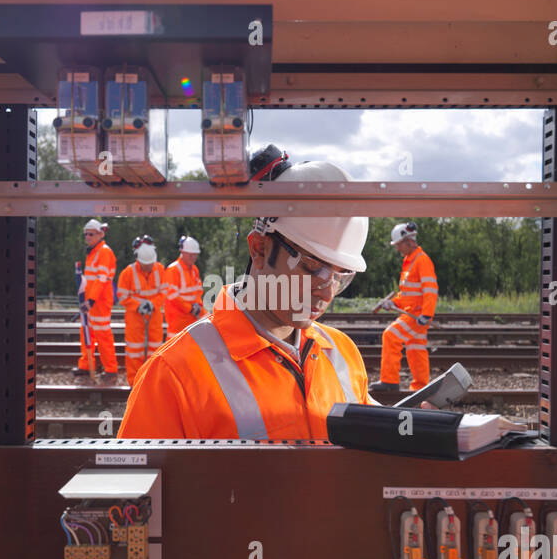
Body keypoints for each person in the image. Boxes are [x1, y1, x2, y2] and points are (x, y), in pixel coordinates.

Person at [118, 147, 380, 440]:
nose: (326, 291)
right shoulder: (173, 373)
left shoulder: (342, 354)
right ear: (259, 249)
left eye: (339, 277)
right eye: (311, 267)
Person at [376, 221, 438, 390]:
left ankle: (389, 381)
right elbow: (407, 295)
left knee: (390, 336)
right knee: (416, 349)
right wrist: (393, 302)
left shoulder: (421, 261)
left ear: (408, 241)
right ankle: (420, 387)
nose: (397, 248)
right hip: (415, 314)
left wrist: (426, 315)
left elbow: (430, 290)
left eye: (398, 245)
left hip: (416, 315)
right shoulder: (410, 261)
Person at [117, 235, 167, 386]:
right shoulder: (128, 273)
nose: (149, 267)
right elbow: (122, 296)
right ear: (138, 261)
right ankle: (135, 383)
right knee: (134, 351)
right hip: (135, 317)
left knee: (156, 349)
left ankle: (153, 383)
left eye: (151, 264)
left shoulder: (159, 269)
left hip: (154, 316)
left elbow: (164, 291)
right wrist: (137, 306)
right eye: (146, 265)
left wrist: (153, 304)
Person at [73, 218, 119, 379]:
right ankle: (86, 366)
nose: (87, 237)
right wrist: (86, 299)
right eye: (85, 234)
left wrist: (91, 300)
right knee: (87, 332)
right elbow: (92, 280)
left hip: (99, 301)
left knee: (102, 335)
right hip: (91, 301)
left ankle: (111, 369)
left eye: (90, 234)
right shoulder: (94, 252)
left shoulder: (104, 252)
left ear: (100, 234)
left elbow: (102, 278)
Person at [163, 235, 204, 338]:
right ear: (183, 253)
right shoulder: (173, 270)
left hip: (192, 319)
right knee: (176, 352)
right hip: (178, 322)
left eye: (195, 255)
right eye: (191, 255)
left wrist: (198, 306)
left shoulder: (194, 270)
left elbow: (198, 292)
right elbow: (173, 296)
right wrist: (190, 308)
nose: (193, 258)